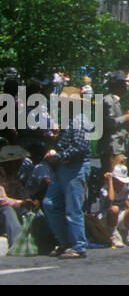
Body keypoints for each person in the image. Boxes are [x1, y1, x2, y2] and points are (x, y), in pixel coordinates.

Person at [42, 86, 95, 258]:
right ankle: (66, 241)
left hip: (75, 166)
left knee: (73, 207)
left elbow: (81, 147)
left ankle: (78, 245)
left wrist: (58, 155)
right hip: (65, 166)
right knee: (50, 202)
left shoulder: (79, 120)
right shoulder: (69, 120)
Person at [98, 155, 129, 247]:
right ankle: (113, 234)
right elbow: (111, 199)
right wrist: (110, 181)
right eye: (118, 181)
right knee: (114, 208)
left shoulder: (124, 188)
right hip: (106, 217)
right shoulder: (105, 189)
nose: (121, 183)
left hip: (120, 216)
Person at [0, 145, 36, 248]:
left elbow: (21, 191)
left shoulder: (14, 176)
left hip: (15, 206)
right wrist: (21, 203)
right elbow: (2, 200)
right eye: (14, 163)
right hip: (3, 210)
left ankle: (45, 237)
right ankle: (16, 243)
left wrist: (28, 200)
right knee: (7, 209)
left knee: (33, 209)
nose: (17, 166)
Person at [99, 71, 129, 171]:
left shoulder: (116, 101)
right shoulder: (108, 100)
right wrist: (125, 118)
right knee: (113, 175)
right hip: (112, 147)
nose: (125, 88)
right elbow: (109, 122)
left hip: (117, 145)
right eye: (123, 85)